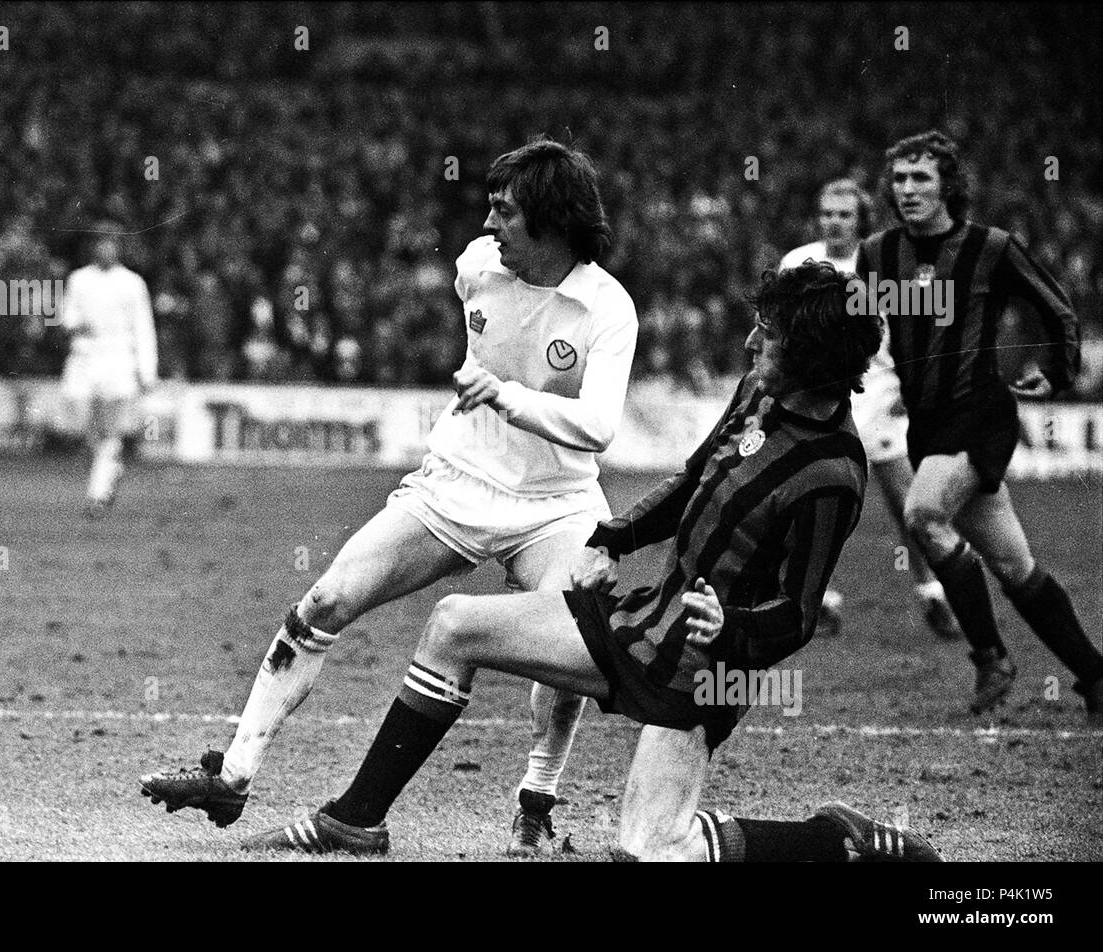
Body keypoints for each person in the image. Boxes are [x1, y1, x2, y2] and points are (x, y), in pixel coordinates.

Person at [238, 261, 942, 862]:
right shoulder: (759, 394)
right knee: (455, 624)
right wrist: (611, 538)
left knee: (651, 851)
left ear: (813, 355)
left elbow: (798, 613)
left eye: (772, 333)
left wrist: (728, 631)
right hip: (647, 623)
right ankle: (356, 818)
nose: (754, 339)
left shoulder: (833, 473)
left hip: (705, 674)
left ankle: (835, 839)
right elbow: (693, 480)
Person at [140, 138, 640, 854]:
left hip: (557, 505)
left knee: (568, 638)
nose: (491, 225)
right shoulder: (475, 269)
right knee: (325, 602)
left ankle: (536, 797)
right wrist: (489, 399)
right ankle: (234, 776)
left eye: (506, 211)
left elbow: (596, 427)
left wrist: (506, 395)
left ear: (554, 221)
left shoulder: (606, 308)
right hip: (455, 484)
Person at [858, 130, 1102, 721]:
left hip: (981, 415)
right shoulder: (877, 254)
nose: (908, 189)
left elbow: (1056, 306)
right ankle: (1096, 676)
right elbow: (862, 332)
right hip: (927, 426)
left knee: (921, 514)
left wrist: (1057, 368)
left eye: (921, 178)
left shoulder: (990, 248)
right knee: (1014, 564)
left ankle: (991, 656)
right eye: (899, 178)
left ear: (948, 185)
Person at [780, 179, 960, 640]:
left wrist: (909, 384)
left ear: (860, 221)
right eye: (826, 212)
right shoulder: (797, 264)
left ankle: (934, 593)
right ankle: (818, 603)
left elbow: (917, 331)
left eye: (843, 214)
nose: (833, 221)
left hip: (879, 395)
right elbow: (779, 331)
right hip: (817, 397)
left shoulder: (884, 266)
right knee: (808, 502)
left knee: (909, 506)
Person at [58, 227, 157, 516]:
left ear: (119, 248)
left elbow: (143, 327)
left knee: (109, 428)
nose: (106, 249)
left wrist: (147, 370)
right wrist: (77, 325)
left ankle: (98, 493)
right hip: (84, 359)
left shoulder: (132, 283)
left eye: (111, 244)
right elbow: (67, 317)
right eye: (101, 243)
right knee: (81, 423)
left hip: (117, 360)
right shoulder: (79, 279)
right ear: (93, 247)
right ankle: (110, 467)